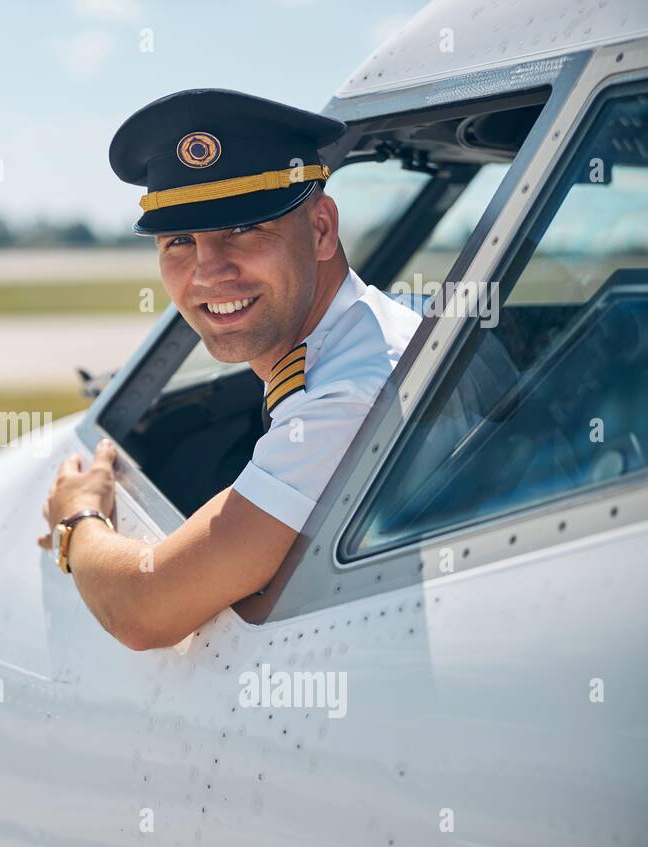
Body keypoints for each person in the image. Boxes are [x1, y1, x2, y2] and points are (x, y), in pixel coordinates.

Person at [38, 89, 421, 651]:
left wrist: (77, 518)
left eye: (244, 229)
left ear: (321, 229)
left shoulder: (346, 394)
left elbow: (146, 607)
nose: (209, 273)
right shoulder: (367, 330)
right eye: (180, 241)